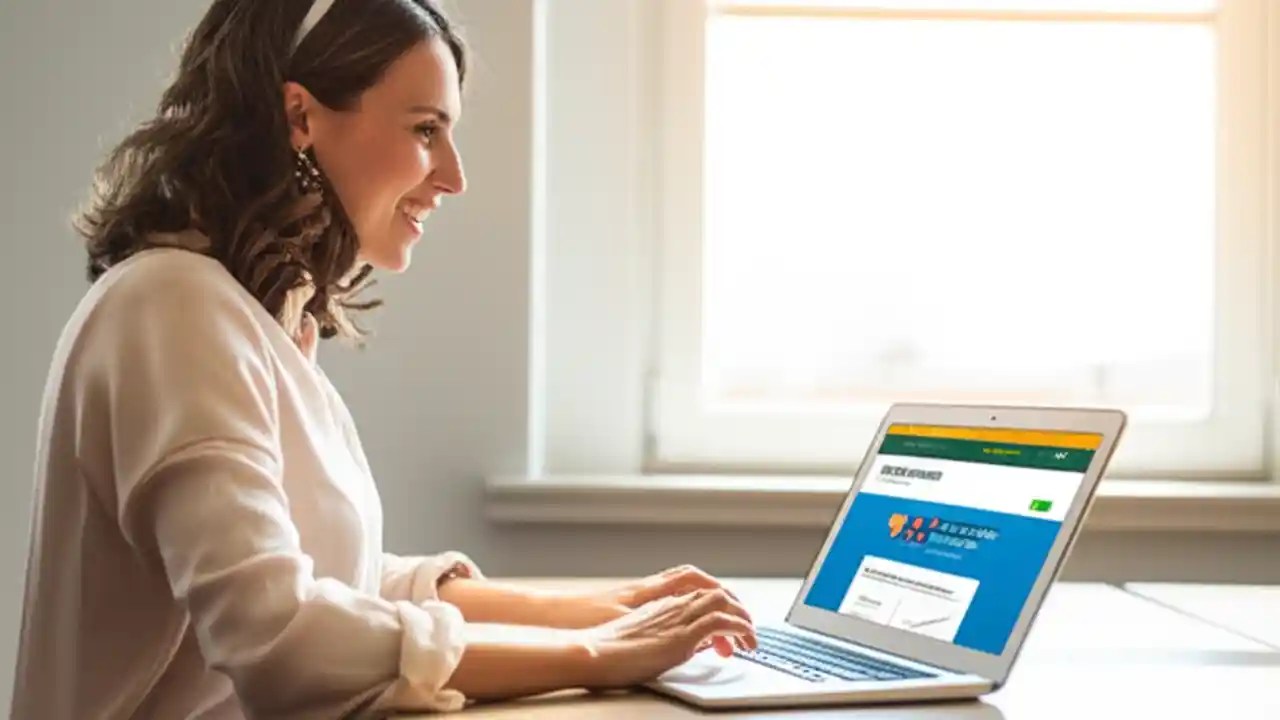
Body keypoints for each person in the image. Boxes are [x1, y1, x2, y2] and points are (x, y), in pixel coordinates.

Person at [11, 0, 757, 717]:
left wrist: (603, 608)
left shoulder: (248, 315)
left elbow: (342, 583)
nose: (454, 176)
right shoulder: (172, 311)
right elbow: (283, 641)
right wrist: (595, 653)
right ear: (300, 115)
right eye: (426, 129)